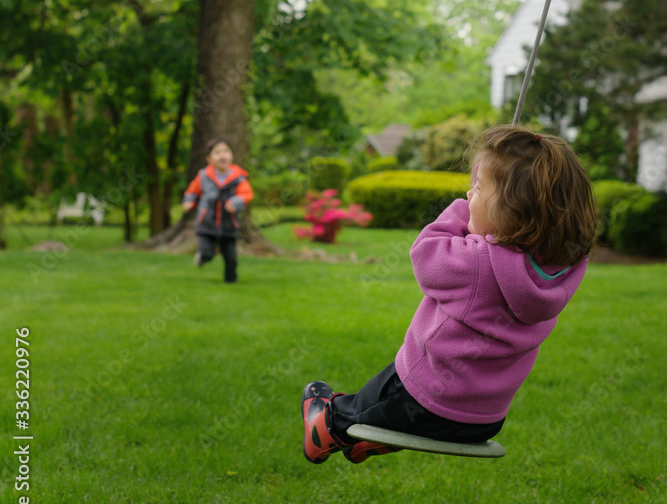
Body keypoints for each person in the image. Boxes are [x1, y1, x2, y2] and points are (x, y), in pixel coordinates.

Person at [301, 125, 598, 464]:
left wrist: (460, 210)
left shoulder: (477, 263)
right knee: (388, 410)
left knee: (357, 407)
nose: (470, 195)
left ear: (512, 210)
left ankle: (325, 428)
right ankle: (375, 437)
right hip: (483, 421)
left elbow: (424, 252)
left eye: (477, 188)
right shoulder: (564, 268)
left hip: (423, 399)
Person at [182, 137, 254, 283]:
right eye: (218, 152)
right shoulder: (203, 176)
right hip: (206, 223)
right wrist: (189, 202)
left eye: (226, 151)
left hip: (229, 224)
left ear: (231, 155)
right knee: (208, 252)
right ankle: (203, 257)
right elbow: (192, 192)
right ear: (209, 158)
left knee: (231, 258)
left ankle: (231, 281)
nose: (222, 155)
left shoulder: (238, 177)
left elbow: (247, 194)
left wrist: (236, 201)